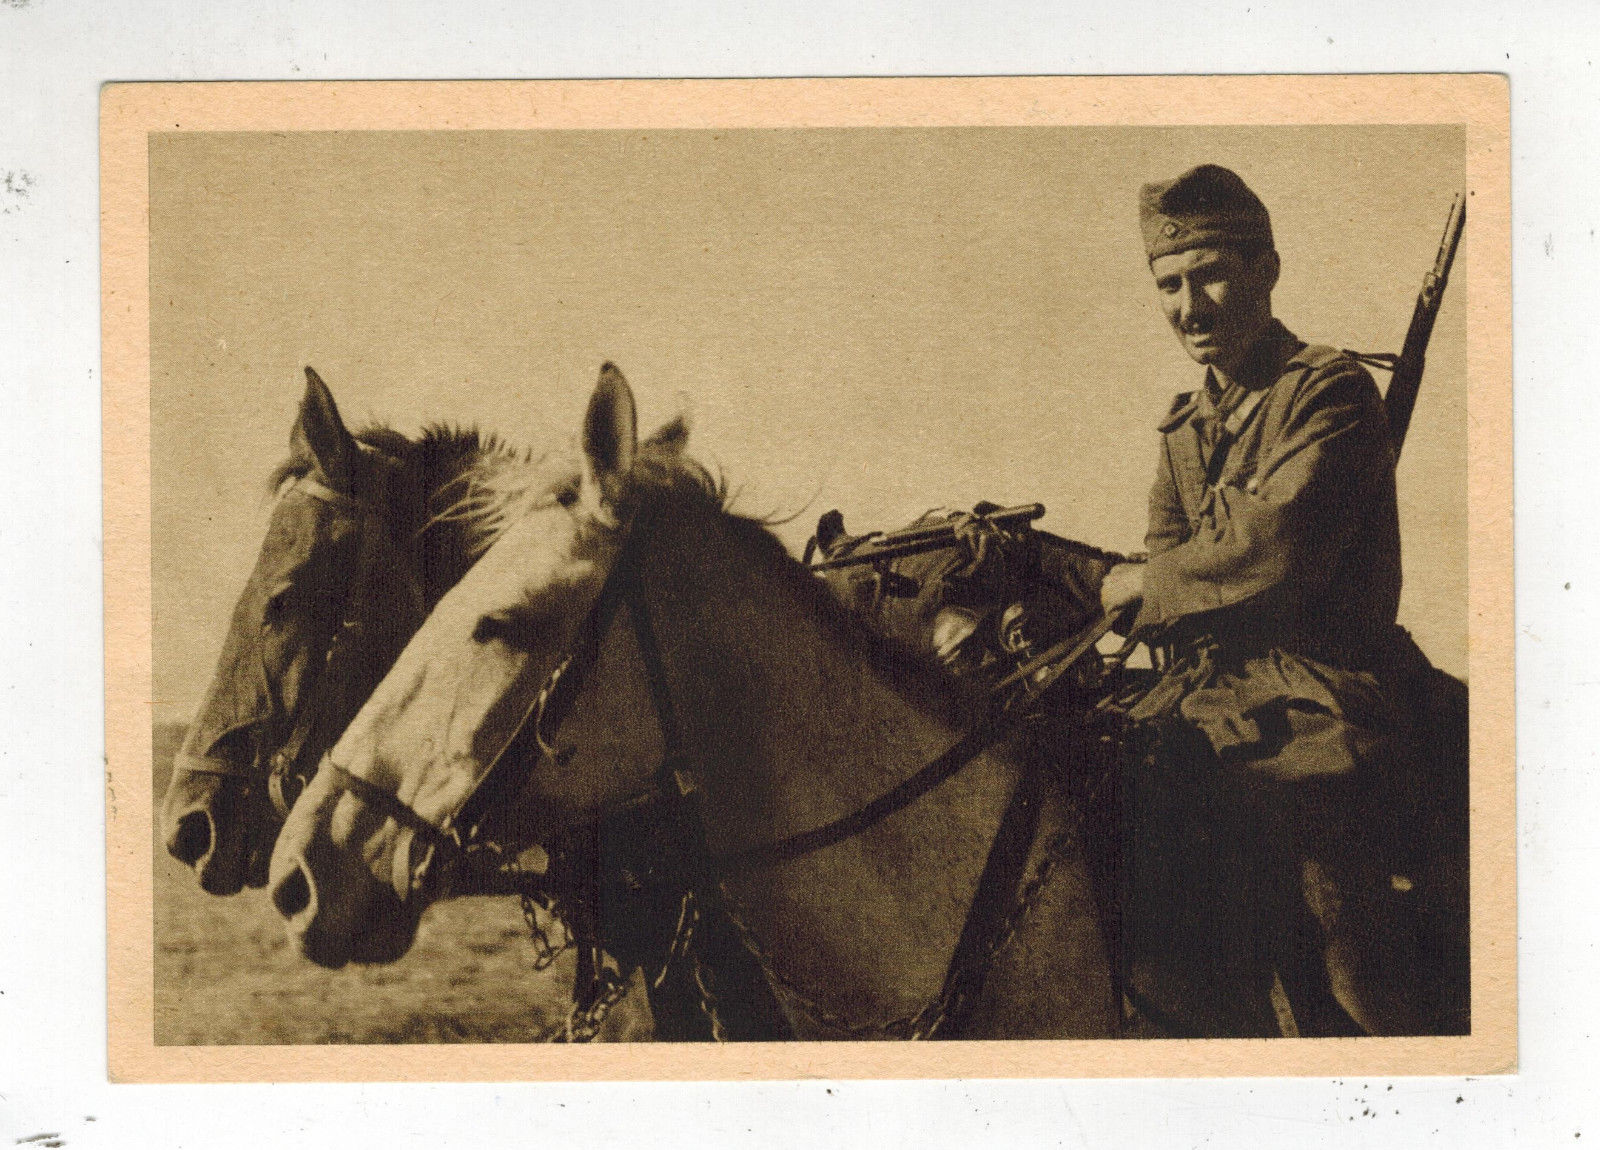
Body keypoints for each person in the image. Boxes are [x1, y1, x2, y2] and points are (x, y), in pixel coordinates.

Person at [1099, 164, 1452, 1036]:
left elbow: (1274, 549)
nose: (1191, 305)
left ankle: (1393, 1057)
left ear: (1267, 270)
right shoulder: (1183, 427)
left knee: (1341, 942)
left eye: (1211, 273)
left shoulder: (1328, 391)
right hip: (1207, 691)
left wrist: (1152, 587)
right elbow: (1170, 556)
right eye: (1169, 285)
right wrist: (1152, 588)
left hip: (1321, 699)